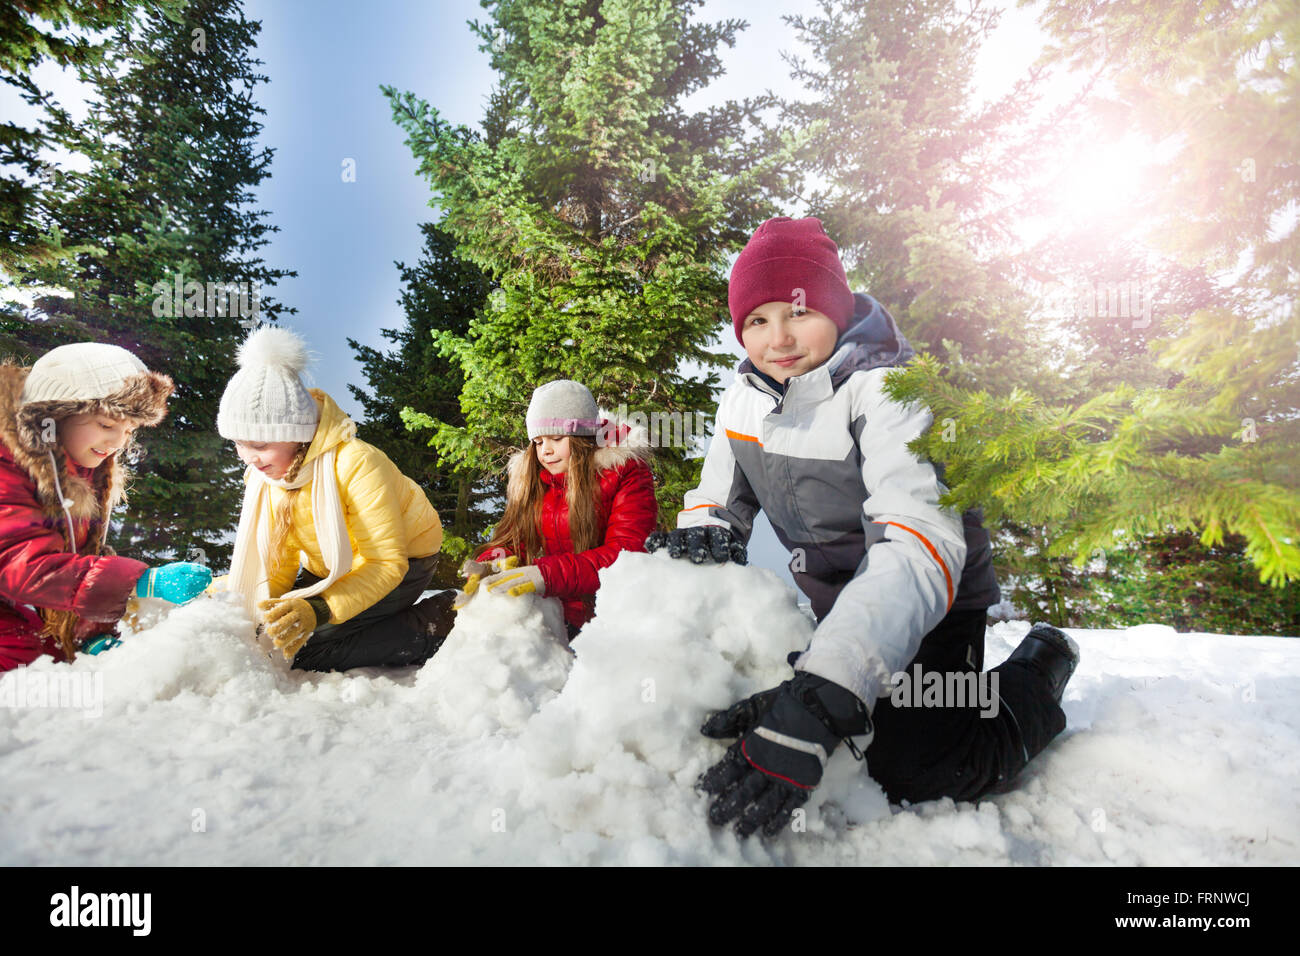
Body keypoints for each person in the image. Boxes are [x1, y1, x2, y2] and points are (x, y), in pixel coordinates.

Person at [647, 216, 1080, 837]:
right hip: (839, 600)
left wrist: (829, 687)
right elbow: (720, 495)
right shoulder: (742, 397)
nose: (779, 339)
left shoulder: (887, 391)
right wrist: (709, 526)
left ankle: (1035, 672)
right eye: (757, 321)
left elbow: (916, 542)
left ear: (836, 308)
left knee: (910, 765)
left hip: (932, 599)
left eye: (798, 313)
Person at [214, 326, 452, 671]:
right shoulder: (266, 479)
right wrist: (240, 602)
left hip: (405, 560)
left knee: (309, 651)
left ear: (295, 435)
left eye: (260, 445)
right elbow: (275, 565)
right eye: (238, 443)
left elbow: (386, 563)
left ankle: (437, 623)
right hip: (331, 567)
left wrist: (319, 610)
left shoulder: (357, 462)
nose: (248, 458)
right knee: (271, 638)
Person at [1, 342, 212, 671]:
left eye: (129, 431)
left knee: (54, 661)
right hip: (10, 616)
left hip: (23, 614)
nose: (118, 443)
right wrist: (140, 581)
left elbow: (79, 560)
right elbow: (18, 562)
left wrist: (89, 633)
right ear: (55, 414)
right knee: (29, 660)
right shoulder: (7, 465)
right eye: (106, 425)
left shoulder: (84, 469)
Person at [457, 380, 658, 642]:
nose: (546, 451)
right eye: (538, 442)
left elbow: (627, 555)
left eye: (556, 438)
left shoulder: (624, 472)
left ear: (583, 438)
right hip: (559, 610)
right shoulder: (536, 478)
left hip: (611, 621)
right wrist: (494, 562)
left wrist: (546, 574)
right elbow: (513, 540)